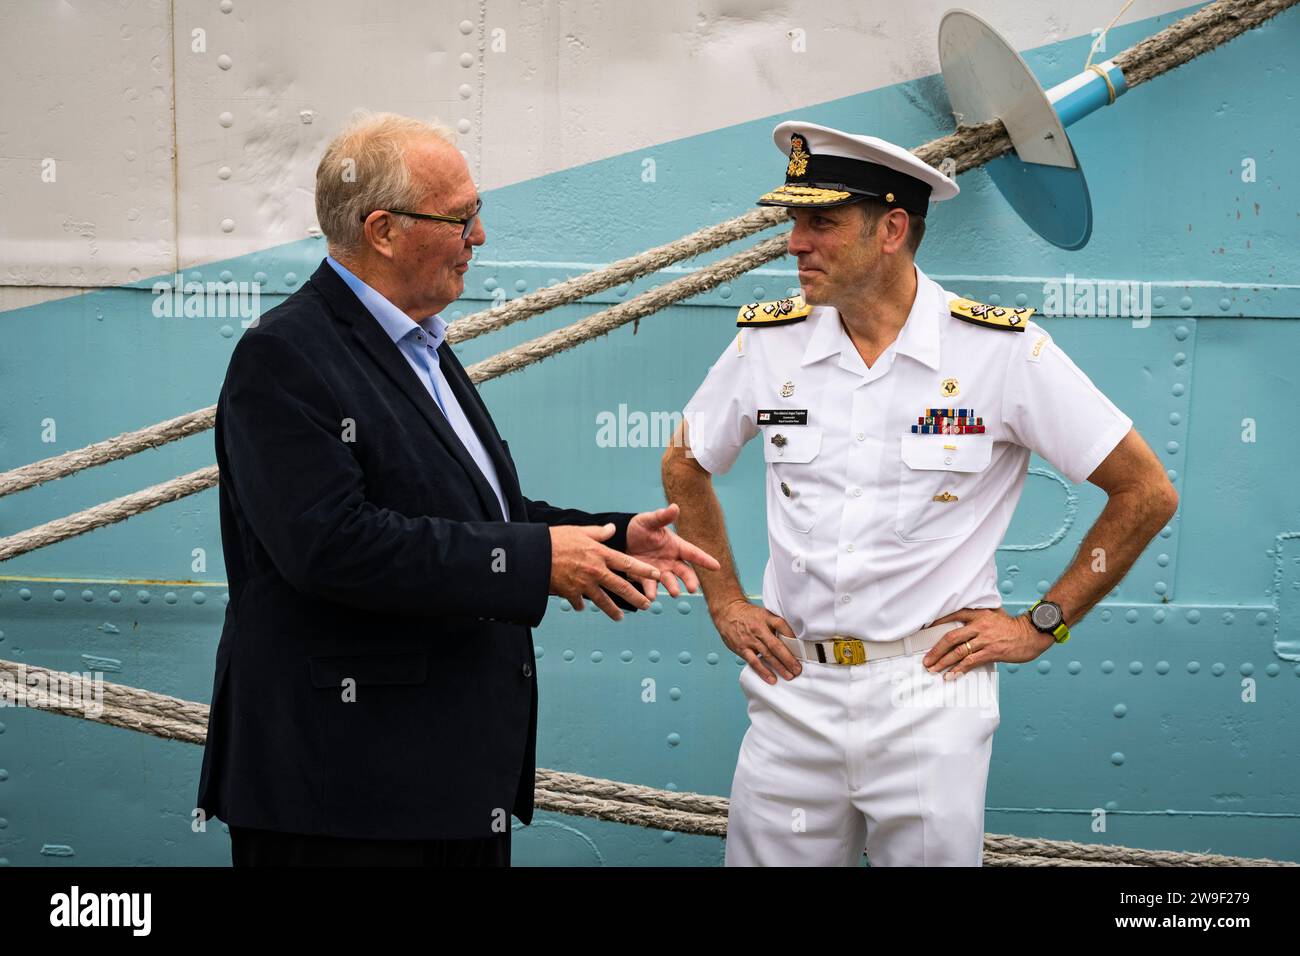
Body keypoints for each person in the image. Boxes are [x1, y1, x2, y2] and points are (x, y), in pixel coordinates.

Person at [196, 111, 718, 867]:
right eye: (462, 217)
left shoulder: (419, 345)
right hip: (347, 799)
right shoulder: (283, 356)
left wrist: (611, 537)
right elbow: (331, 546)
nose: (480, 237)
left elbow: (472, 514)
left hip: (438, 787)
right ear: (382, 230)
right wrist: (537, 561)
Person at [662, 121, 1178, 866]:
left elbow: (1144, 491)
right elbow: (685, 463)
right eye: (793, 222)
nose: (794, 243)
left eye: (821, 222)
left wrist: (1041, 623)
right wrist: (727, 602)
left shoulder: (998, 352)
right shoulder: (767, 343)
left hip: (930, 695)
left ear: (892, 229)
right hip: (793, 690)